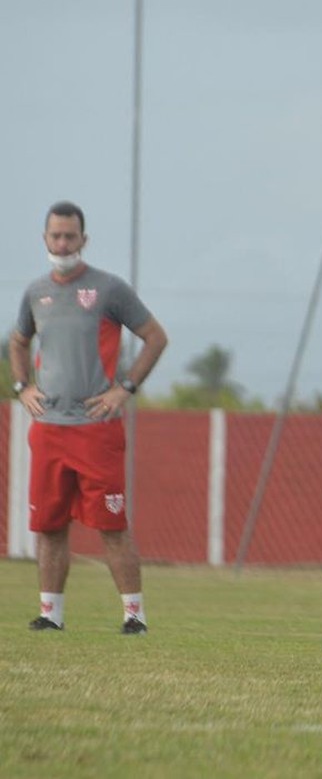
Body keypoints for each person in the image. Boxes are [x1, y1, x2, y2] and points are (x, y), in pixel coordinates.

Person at [9, 200, 169, 634]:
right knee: (49, 525)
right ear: (45, 239)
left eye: (70, 236)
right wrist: (23, 388)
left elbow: (155, 337)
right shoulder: (35, 292)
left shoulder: (108, 289)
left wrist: (126, 388)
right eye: (56, 235)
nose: (63, 243)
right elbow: (19, 341)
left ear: (84, 239)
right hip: (49, 430)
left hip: (96, 430)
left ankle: (134, 616)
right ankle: (51, 614)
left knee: (111, 526)